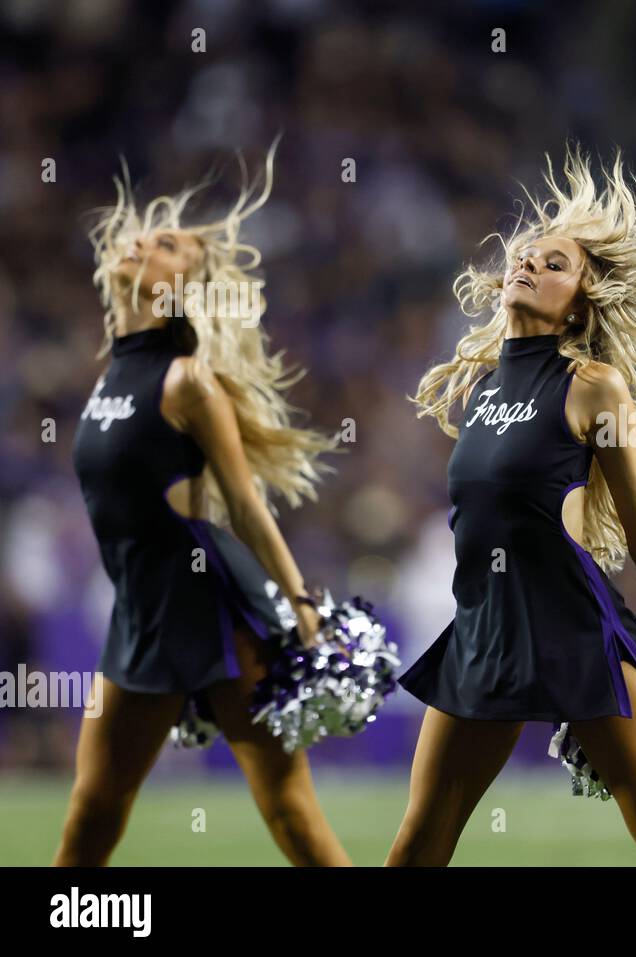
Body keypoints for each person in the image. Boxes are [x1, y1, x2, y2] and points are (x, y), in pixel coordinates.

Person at [388, 146, 636, 867]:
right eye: (525, 255)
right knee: (417, 846)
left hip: (576, 634)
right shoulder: (480, 390)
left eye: (555, 264)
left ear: (583, 299)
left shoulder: (592, 385)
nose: (529, 264)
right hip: (484, 630)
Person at [57, 147, 350, 866]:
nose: (140, 242)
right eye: (143, 235)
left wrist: (300, 600)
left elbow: (245, 504)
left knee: (289, 810)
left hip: (209, 607)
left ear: (182, 286)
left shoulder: (187, 380)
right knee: (93, 812)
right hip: (139, 610)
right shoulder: (110, 375)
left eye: (166, 245)